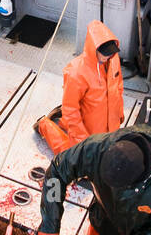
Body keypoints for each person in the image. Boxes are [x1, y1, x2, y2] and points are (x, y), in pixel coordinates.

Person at [35, 20, 124, 156]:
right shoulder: (77, 72)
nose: (109, 55)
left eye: (111, 52)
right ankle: (44, 125)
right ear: (94, 49)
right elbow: (71, 110)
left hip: (109, 129)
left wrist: (119, 114)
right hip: (87, 133)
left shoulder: (113, 60)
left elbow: (118, 87)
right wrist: (82, 141)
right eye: (105, 53)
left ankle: (63, 120)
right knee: (68, 157)